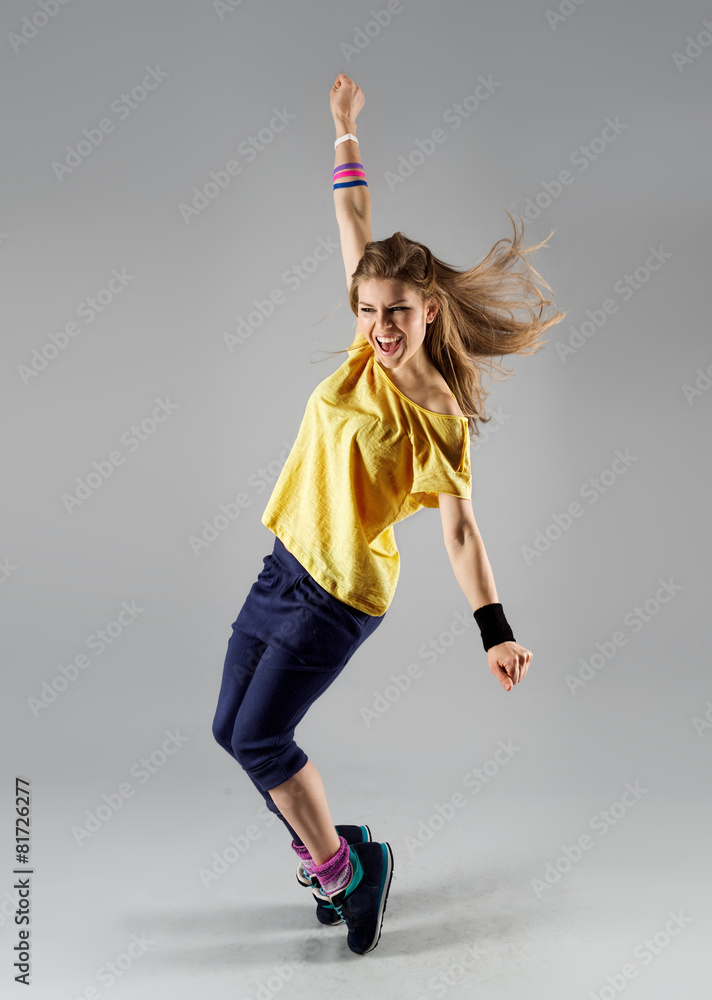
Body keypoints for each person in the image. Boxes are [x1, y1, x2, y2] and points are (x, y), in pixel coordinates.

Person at [211, 72, 565, 956]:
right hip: (284, 564)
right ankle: (345, 848)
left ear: (428, 307)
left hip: (337, 596)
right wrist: (342, 129)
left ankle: (348, 873)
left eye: (396, 313)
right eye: (367, 311)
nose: (378, 327)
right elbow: (354, 222)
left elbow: (459, 528)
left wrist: (497, 629)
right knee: (233, 732)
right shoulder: (367, 344)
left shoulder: (436, 410)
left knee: (262, 737)